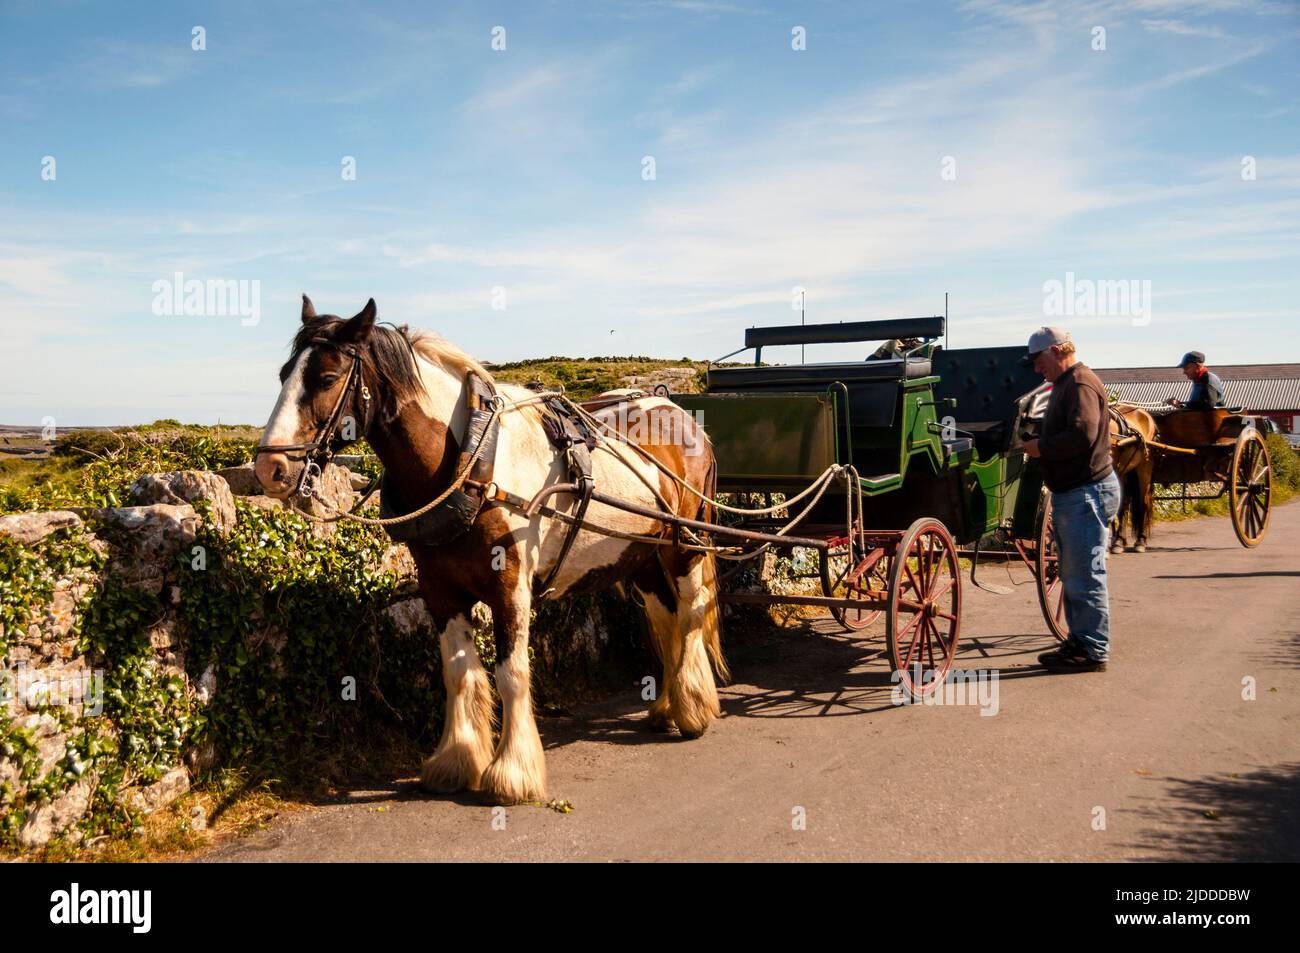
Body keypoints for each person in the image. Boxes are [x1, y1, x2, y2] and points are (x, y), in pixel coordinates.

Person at [1020, 327, 1121, 672]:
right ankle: (1080, 641)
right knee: (1075, 575)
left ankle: (1094, 651)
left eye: (1039, 360)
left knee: (1085, 576)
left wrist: (1039, 448)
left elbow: (1082, 434)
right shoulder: (1066, 383)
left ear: (1059, 350)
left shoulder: (1079, 384)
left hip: (1086, 494)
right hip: (1077, 493)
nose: (1036, 369)